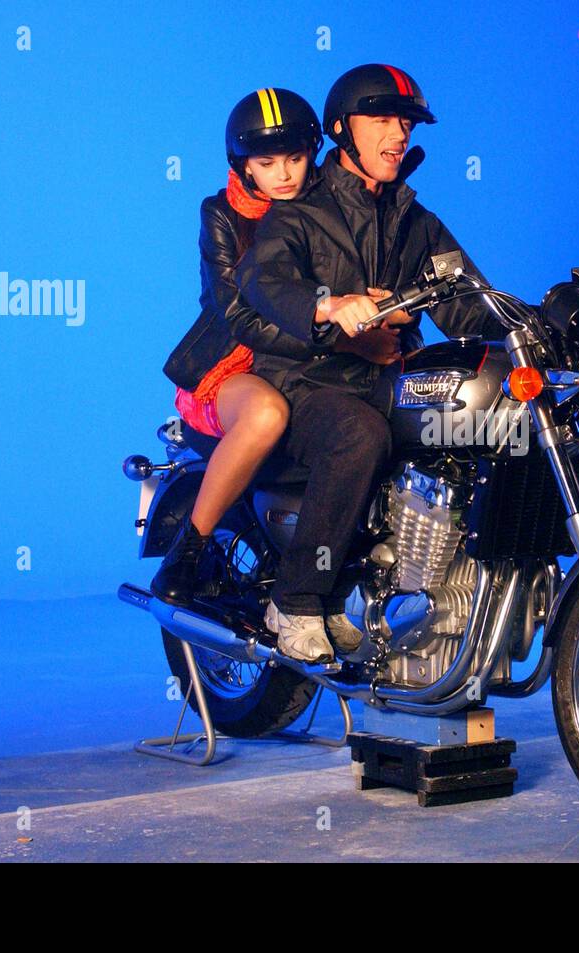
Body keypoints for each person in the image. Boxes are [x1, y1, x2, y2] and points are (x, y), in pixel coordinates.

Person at [236, 63, 504, 663]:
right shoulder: (298, 214)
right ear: (340, 130)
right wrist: (329, 306)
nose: (398, 133)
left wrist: (546, 324)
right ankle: (298, 599)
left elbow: (468, 307)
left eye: (405, 121)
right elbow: (265, 282)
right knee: (358, 434)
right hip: (304, 386)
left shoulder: (415, 221)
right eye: (382, 119)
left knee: (484, 420)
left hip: (387, 384)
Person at [154, 87, 379, 607]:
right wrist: (337, 338)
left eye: (296, 159)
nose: (284, 174)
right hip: (235, 361)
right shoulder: (221, 214)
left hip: (310, 367)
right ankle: (190, 548)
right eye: (267, 162)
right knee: (264, 415)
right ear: (244, 165)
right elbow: (239, 315)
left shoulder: (329, 206)